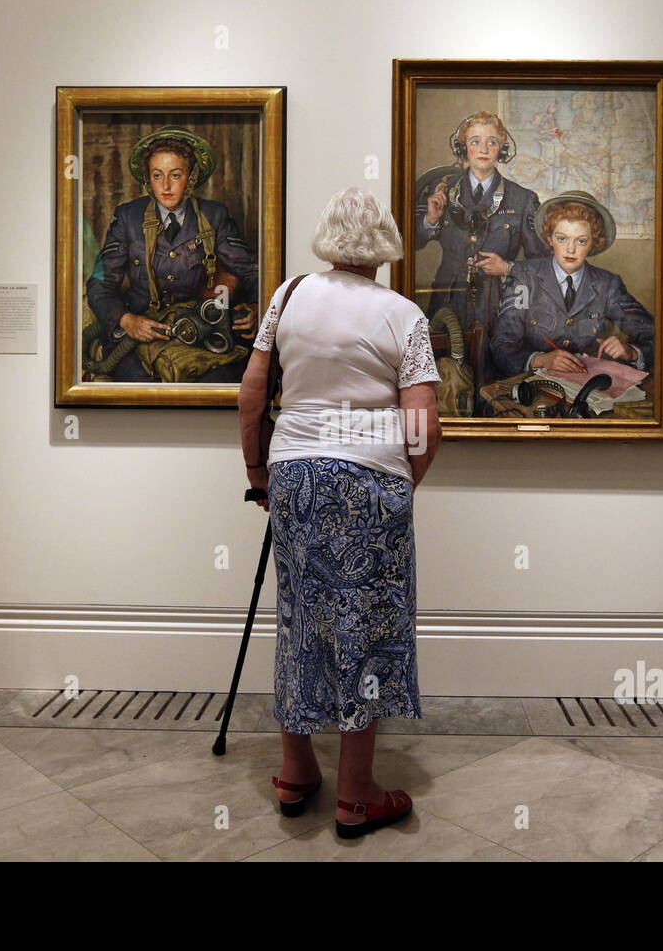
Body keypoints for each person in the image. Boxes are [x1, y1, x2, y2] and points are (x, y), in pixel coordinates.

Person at [237, 187, 442, 838]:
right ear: (384, 244)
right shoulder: (403, 314)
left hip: (295, 473)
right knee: (369, 629)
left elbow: (250, 394)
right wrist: (402, 481)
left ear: (328, 237)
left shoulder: (288, 296)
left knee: (301, 618)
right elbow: (422, 425)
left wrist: (258, 473)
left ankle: (296, 773)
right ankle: (356, 796)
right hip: (371, 482)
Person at [85, 126, 259, 383]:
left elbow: (251, 271)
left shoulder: (214, 216)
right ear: (148, 178)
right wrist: (126, 319)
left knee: (219, 384)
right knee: (140, 391)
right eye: (157, 175)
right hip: (139, 333)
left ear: (190, 177)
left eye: (175, 175)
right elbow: (100, 283)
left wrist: (257, 307)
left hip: (200, 329)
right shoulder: (128, 217)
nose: (166, 186)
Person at [413, 110, 548, 395]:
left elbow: (542, 265)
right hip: (445, 303)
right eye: (475, 142)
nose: (483, 149)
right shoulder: (442, 191)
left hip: (497, 306)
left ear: (502, 149)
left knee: (489, 383)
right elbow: (409, 244)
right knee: (443, 382)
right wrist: (431, 220)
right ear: (463, 148)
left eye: (492, 142)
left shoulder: (524, 199)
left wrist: (508, 268)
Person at [490, 190, 654, 381]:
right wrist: (540, 360)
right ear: (549, 238)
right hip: (531, 384)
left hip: (587, 388)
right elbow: (502, 347)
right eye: (562, 238)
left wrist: (633, 352)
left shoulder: (607, 285)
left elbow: (657, 334)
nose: (571, 249)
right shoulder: (523, 276)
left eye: (581, 241)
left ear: (593, 243)